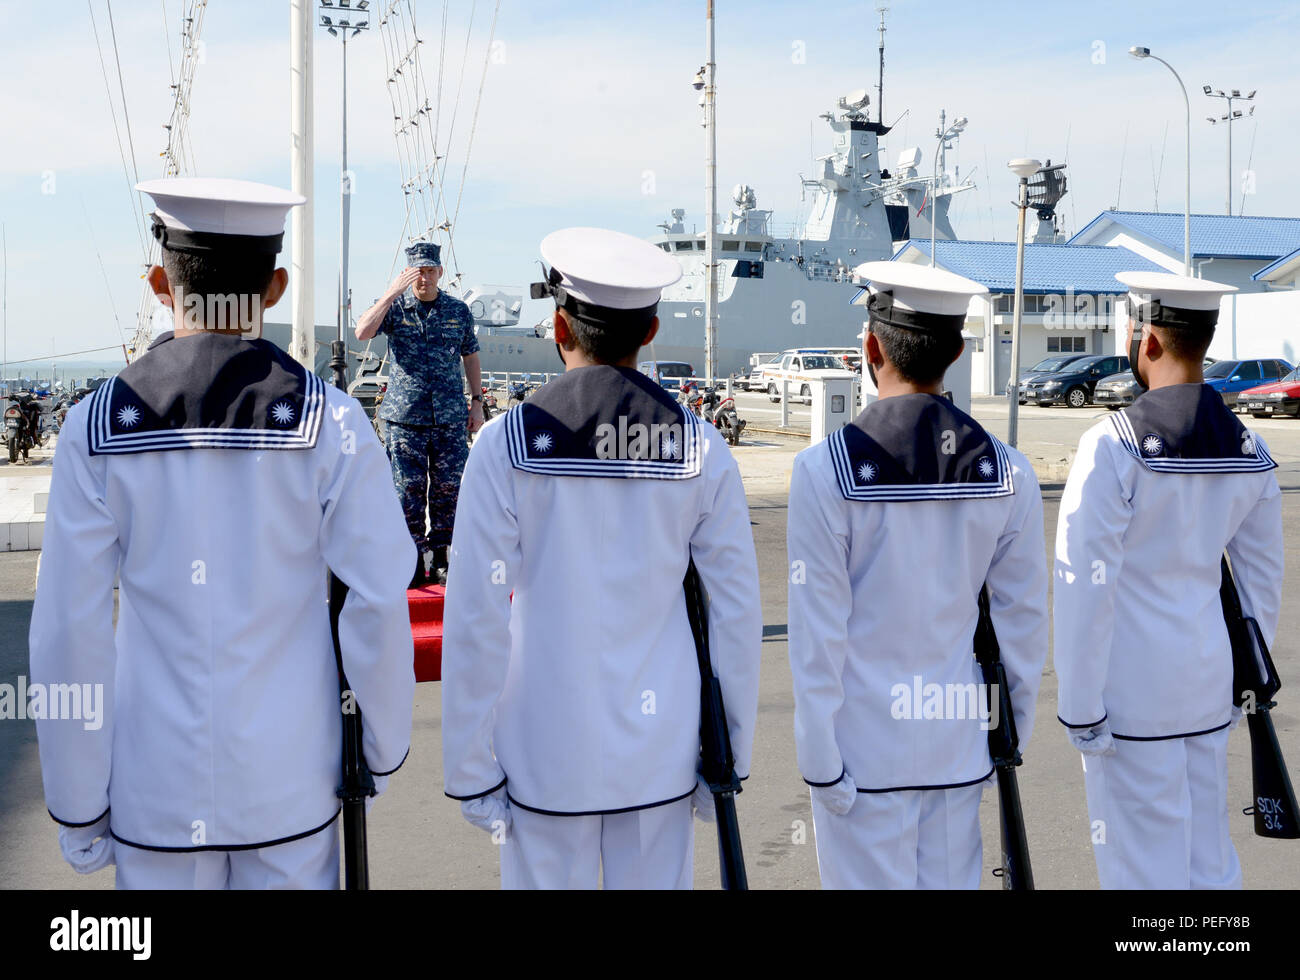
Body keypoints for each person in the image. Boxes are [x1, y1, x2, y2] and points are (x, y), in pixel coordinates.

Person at [29, 178, 416, 889]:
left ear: (158, 281)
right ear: (274, 288)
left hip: (154, 793)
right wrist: (381, 749)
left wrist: (79, 804)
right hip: (290, 786)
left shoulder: (95, 427)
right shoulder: (332, 424)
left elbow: (68, 632)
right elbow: (378, 601)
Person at [440, 227, 762, 889]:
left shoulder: (505, 447)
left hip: (543, 757)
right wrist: (730, 753)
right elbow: (736, 620)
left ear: (559, 325)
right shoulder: (702, 450)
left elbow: (476, 618)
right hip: (660, 758)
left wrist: (470, 768)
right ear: (650, 332)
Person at [786, 262, 1048, 889]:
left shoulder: (824, 471)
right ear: (957, 351)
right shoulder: (1008, 472)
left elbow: (817, 637)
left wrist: (820, 761)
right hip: (957, 748)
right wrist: (1004, 738)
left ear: (871, 347)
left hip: (861, 757)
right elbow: (1024, 628)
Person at [1054, 271, 1282, 889]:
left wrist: (1078, 706)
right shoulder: (1250, 449)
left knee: (1140, 872)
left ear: (1145, 341)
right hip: (1209, 685)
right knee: (1208, 859)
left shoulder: (1112, 447)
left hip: (1128, 699)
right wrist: (1245, 681)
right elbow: (1261, 589)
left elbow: (1084, 588)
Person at [356, 243, 482, 587]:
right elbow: (362, 331)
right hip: (404, 417)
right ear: (408, 273)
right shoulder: (395, 309)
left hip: (449, 417)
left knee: (447, 490)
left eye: (429, 271)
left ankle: (441, 557)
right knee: (405, 492)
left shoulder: (458, 310)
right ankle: (410, 559)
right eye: (417, 271)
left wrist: (477, 401)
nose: (424, 278)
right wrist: (389, 293)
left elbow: (470, 355)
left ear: (440, 272)